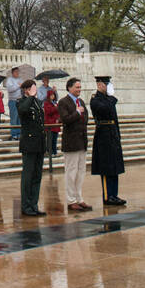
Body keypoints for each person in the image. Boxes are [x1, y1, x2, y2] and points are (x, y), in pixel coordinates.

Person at [89, 76, 126, 206]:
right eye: (105, 84)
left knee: (114, 166)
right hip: (103, 135)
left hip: (112, 133)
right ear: (99, 85)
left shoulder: (108, 99)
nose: (107, 86)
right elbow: (105, 109)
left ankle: (114, 194)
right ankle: (107, 195)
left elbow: (114, 118)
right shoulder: (95, 99)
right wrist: (111, 97)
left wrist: (117, 135)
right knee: (105, 167)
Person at [57, 77, 91, 211]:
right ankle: (71, 200)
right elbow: (65, 119)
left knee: (81, 171)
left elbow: (86, 117)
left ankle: (79, 198)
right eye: (77, 87)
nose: (79, 90)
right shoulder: (63, 102)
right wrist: (77, 113)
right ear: (69, 87)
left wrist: (80, 114)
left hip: (82, 141)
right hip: (71, 141)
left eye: (80, 87)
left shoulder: (81, 101)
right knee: (71, 172)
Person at [16, 79, 47, 216]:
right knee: (28, 176)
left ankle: (34, 204)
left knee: (37, 176)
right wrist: (31, 96)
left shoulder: (37, 103)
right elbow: (23, 111)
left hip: (39, 143)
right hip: (29, 143)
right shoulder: (22, 102)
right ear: (26, 90)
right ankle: (26, 206)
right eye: (33, 88)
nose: (36, 90)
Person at [38, 76, 60, 156]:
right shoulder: (40, 89)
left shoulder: (54, 101)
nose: (47, 81)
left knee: (54, 138)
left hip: (55, 122)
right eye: (45, 80)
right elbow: (40, 98)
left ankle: (54, 152)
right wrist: (47, 94)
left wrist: (55, 92)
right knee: (50, 138)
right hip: (49, 121)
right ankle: (50, 151)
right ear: (43, 81)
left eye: (48, 79)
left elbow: (56, 98)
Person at [3, 67, 23, 140]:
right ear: (12, 73)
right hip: (13, 101)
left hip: (20, 100)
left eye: (18, 71)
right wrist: (18, 86)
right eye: (15, 72)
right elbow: (10, 89)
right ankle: (14, 134)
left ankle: (19, 133)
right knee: (14, 118)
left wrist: (22, 87)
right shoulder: (9, 80)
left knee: (19, 118)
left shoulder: (20, 80)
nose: (17, 73)